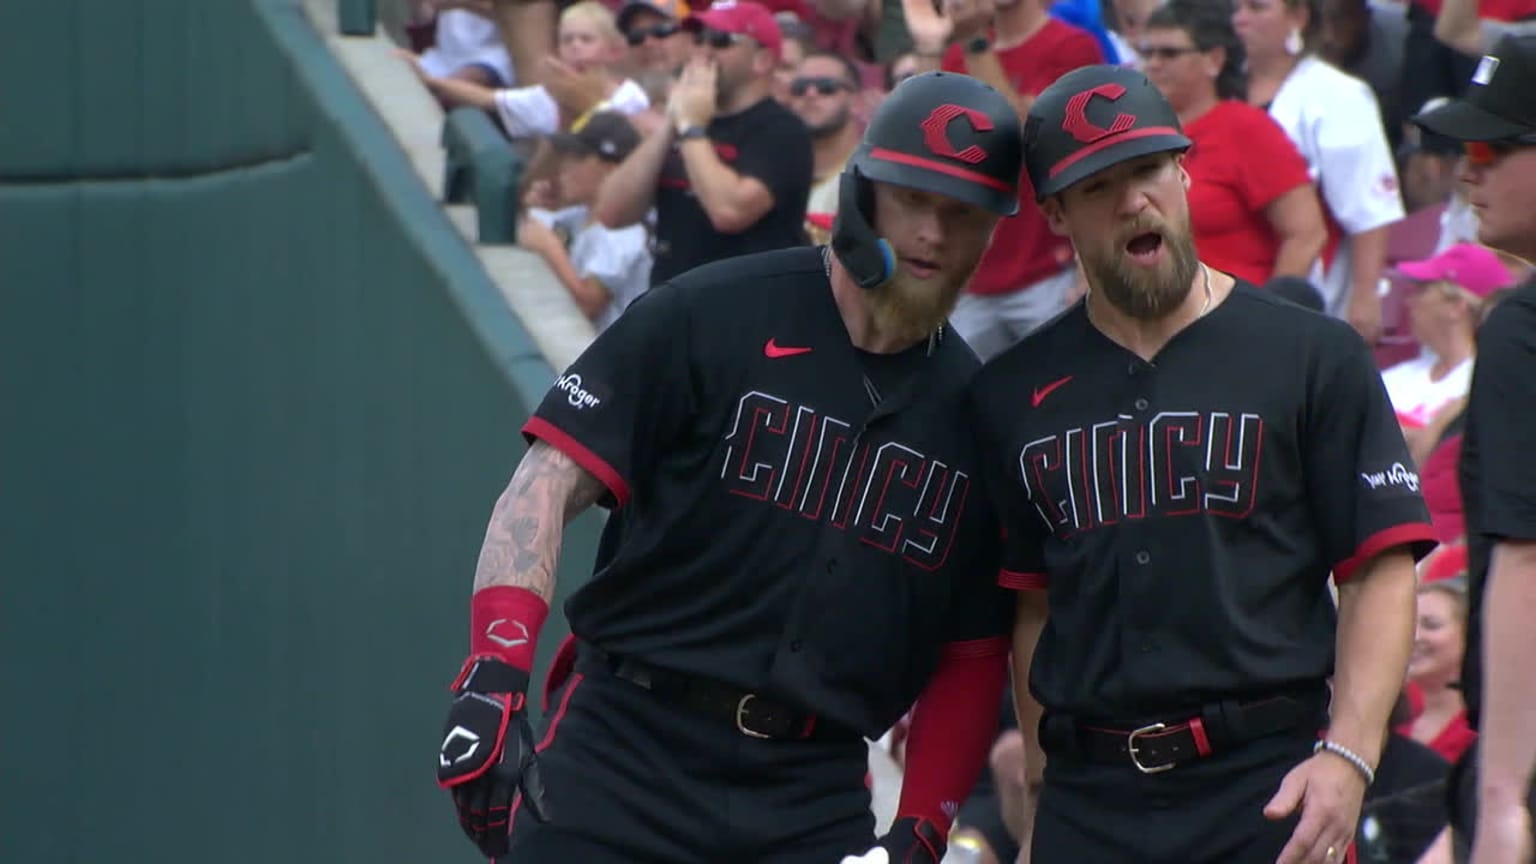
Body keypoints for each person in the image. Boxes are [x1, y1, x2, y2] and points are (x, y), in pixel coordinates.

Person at [436, 71, 1024, 864]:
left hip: (808, 791)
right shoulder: (709, 311)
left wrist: (923, 825)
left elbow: (971, 649)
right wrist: (495, 669)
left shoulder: (977, 413)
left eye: (964, 216)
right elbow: (546, 481)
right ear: (864, 193)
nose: (935, 235)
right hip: (627, 748)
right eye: (915, 200)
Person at [969, 63, 1437, 863]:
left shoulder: (1310, 354)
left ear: (1183, 171)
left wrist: (1350, 759)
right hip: (1091, 794)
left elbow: (1380, 568)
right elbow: (1033, 607)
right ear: (1055, 213)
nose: (1133, 200)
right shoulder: (1010, 392)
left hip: (1265, 783)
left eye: (1147, 169)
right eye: (1096, 187)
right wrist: (1042, 794)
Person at [1411, 33, 1536, 864]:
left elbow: (1527, 565)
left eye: (1491, 150)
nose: (1466, 173)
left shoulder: (1523, 329)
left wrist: (1502, 800)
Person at [593, 0, 814, 285]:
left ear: (762, 60)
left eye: (721, 41)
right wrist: (671, 124)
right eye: (699, 39)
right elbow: (612, 213)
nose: (705, 51)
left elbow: (730, 212)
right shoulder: (685, 123)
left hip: (746, 306)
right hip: (672, 300)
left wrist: (692, 128)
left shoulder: (782, 129)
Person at [937, 0, 1105, 360]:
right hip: (972, 275)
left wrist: (974, 43)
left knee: (1060, 399)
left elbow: (1022, 136)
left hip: (1047, 268)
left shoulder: (1072, 46)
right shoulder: (956, 55)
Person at [1234, 0, 1404, 344]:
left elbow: (1368, 205)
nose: (1241, 19)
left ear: (1298, 17)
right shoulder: (1218, 86)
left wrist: (1365, 294)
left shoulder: (1337, 94)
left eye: (1257, 8)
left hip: (1309, 283)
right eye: (1236, 8)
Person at [1141, 0, 1327, 287]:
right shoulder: (1136, 132)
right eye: (1147, 52)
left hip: (1234, 314)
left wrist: (1273, 311)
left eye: (1169, 53)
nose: (1153, 63)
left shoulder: (1246, 129)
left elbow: (1306, 233)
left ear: (1213, 59)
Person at [409, 1, 651, 138]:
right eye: (567, 41)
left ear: (615, 51)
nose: (576, 47)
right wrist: (433, 81)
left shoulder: (630, 95)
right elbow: (487, 99)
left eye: (586, 40)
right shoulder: (545, 95)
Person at [516, 112, 653, 333]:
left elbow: (589, 304)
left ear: (610, 169)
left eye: (578, 158)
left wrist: (549, 247)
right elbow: (531, 230)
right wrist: (535, 208)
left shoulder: (624, 231)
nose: (565, 168)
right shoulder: (579, 215)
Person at [1379, 243, 1513, 438]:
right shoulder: (1395, 378)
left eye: (1422, 290)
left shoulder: (1492, 382)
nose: (1409, 301)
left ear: (1456, 307)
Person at [1399, 546, 1477, 764]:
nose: (1414, 637)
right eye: (1410, 624)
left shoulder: (1481, 733)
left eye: (1431, 625)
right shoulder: (1393, 721)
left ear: (1469, 636)